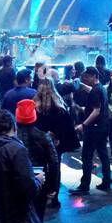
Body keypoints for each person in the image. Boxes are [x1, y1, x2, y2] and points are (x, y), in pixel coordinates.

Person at [34, 78, 76, 209]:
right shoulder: (59, 106)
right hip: (55, 143)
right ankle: (54, 198)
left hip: (38, 143)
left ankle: (40, 194)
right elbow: (67, 125)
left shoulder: (34, 106)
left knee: (40, 167)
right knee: (55, 168)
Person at [71, 66, 112, 193]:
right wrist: (82, 85)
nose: (86, 79)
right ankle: (106, 182)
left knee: (87, 156)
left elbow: (96, 111)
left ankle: (84, 186)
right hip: (103, 126)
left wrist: (83, 125)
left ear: (94, 76)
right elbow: (93, 91)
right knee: (103, 154)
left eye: (88, 76)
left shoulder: (96, 91)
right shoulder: (100, 88)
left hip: (94, 128)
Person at [16, 98, 58, 219]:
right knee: (38, 217)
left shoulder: (11, 138)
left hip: (17, 180)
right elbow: (54, 162)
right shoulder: (43, 137)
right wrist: (52, 186)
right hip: (40, 180)